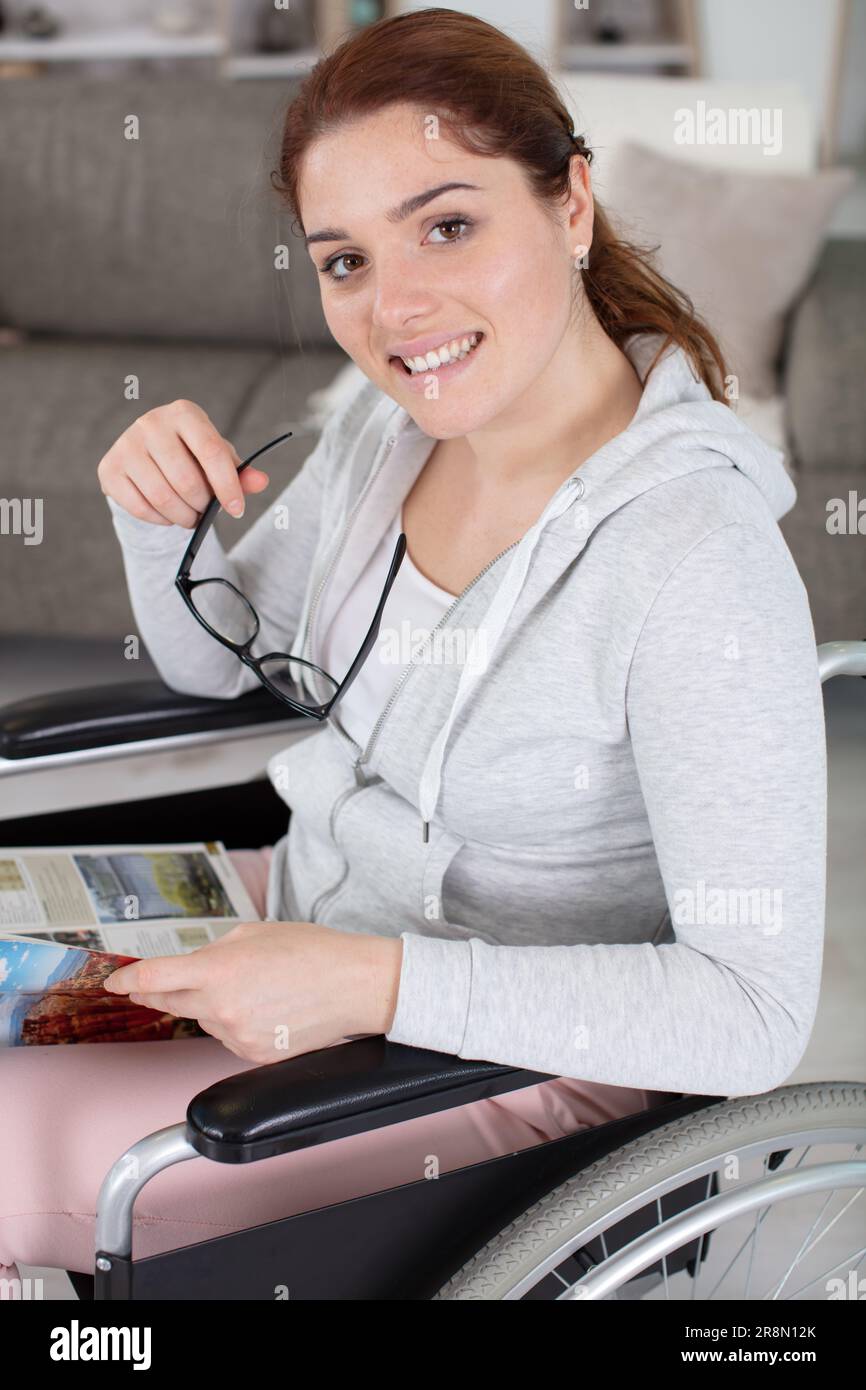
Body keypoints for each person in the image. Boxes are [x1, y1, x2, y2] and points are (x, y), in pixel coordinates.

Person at [0, 9, 826, 1292]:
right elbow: (224, 669)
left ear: (570, 206)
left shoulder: (692, 557)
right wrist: (152, 524)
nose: (395, 308)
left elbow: (752, 1010)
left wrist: (371, 985)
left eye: (447, 226)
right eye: (344, 261)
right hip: (300, 925)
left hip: (484, 1071)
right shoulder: (383, 445)